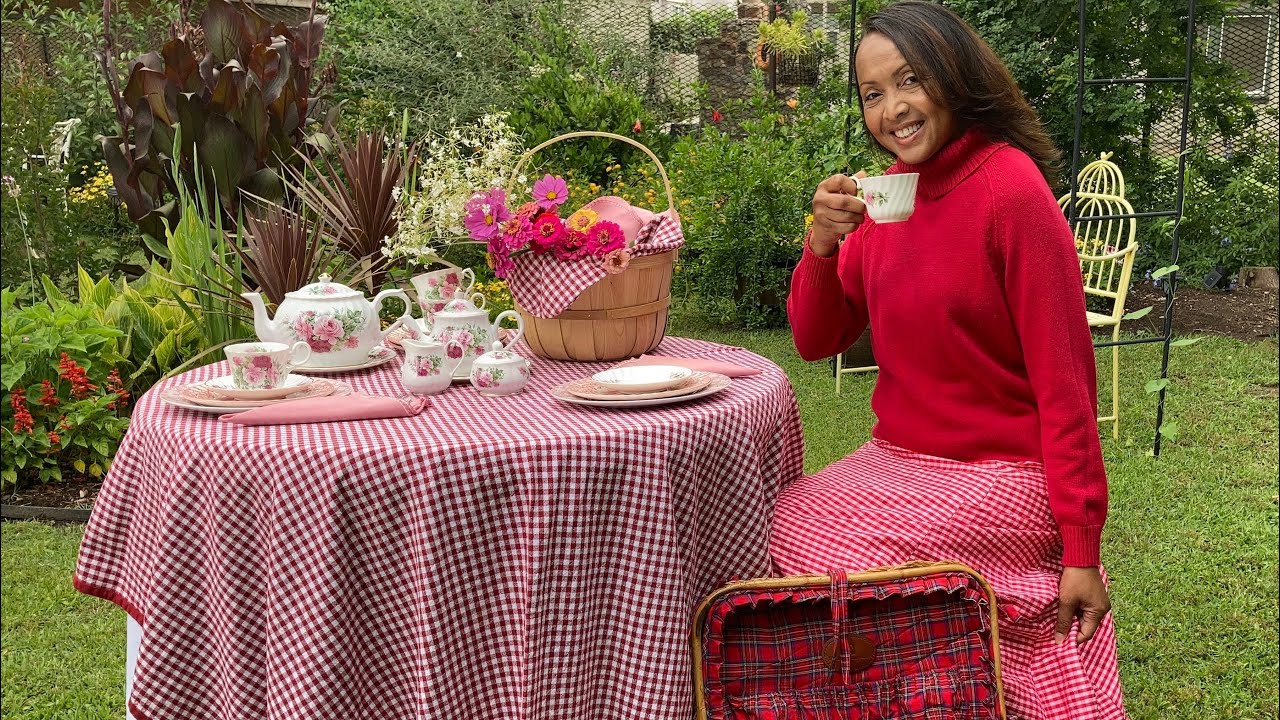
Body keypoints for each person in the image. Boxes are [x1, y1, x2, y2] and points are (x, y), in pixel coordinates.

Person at [771, 2, 1129, 718]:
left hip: (1006, 469)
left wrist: (1082, 549)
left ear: (954, 77)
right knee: (780, 521)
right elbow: (817, 339)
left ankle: (977, 680)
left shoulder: (1009, 188)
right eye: (873, 94)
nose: (892, 110)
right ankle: (918, 687)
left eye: (909, 81)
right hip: (900, 456)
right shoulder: (883, 200)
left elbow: (1066, 385)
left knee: (831, 541)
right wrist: (820, 245)